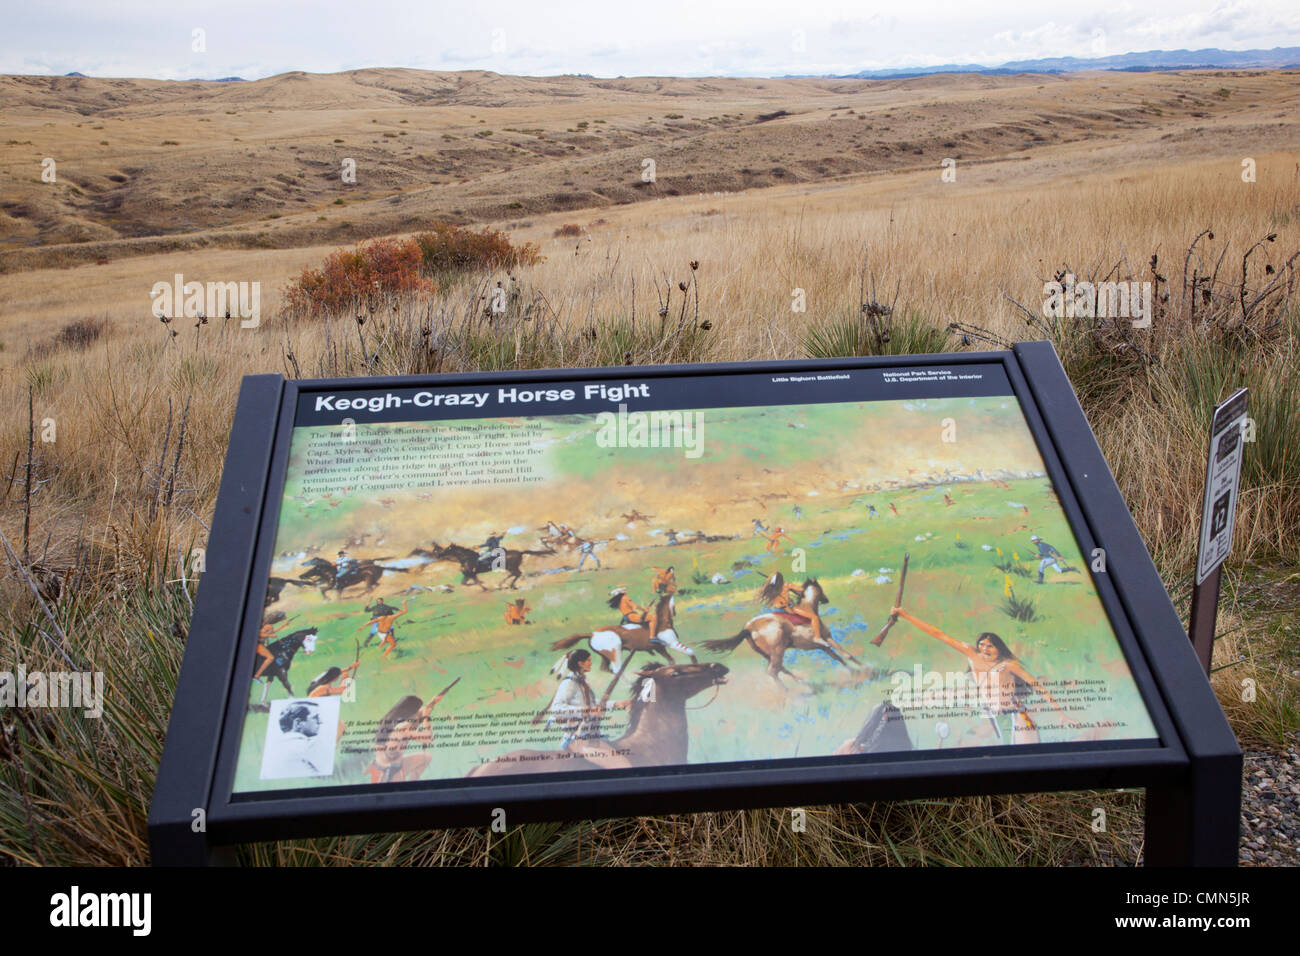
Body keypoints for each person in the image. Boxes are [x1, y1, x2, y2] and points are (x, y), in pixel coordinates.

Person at [889, 605, 1076, 744]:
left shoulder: (1009, 665)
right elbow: (938, 634)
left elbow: (1037, 686)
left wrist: (1060, 713)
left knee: (1025, 751)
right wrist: (905, 615)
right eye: (982, 644)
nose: (985, 649)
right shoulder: (971, 654)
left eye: (990, 646)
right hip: (991, 714)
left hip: (1015, 714)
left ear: (998, 648)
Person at [368, 693, 442, 783]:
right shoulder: (403, 726)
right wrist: (426, 717)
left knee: (427, 757)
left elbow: (419, 714)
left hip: (385, 763)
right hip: (391, 767)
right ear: (410, 712)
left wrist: (432, 703)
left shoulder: (391, 720)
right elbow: (428, 738)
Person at [255, 611, 291, 679]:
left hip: (261, 644)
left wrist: (284, 625)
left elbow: (273, 632)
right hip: (259, 644)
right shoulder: (267, 626)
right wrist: (270, 635)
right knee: (270, 657)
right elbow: (259, 634)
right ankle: (257, 675)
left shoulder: (269, 626)